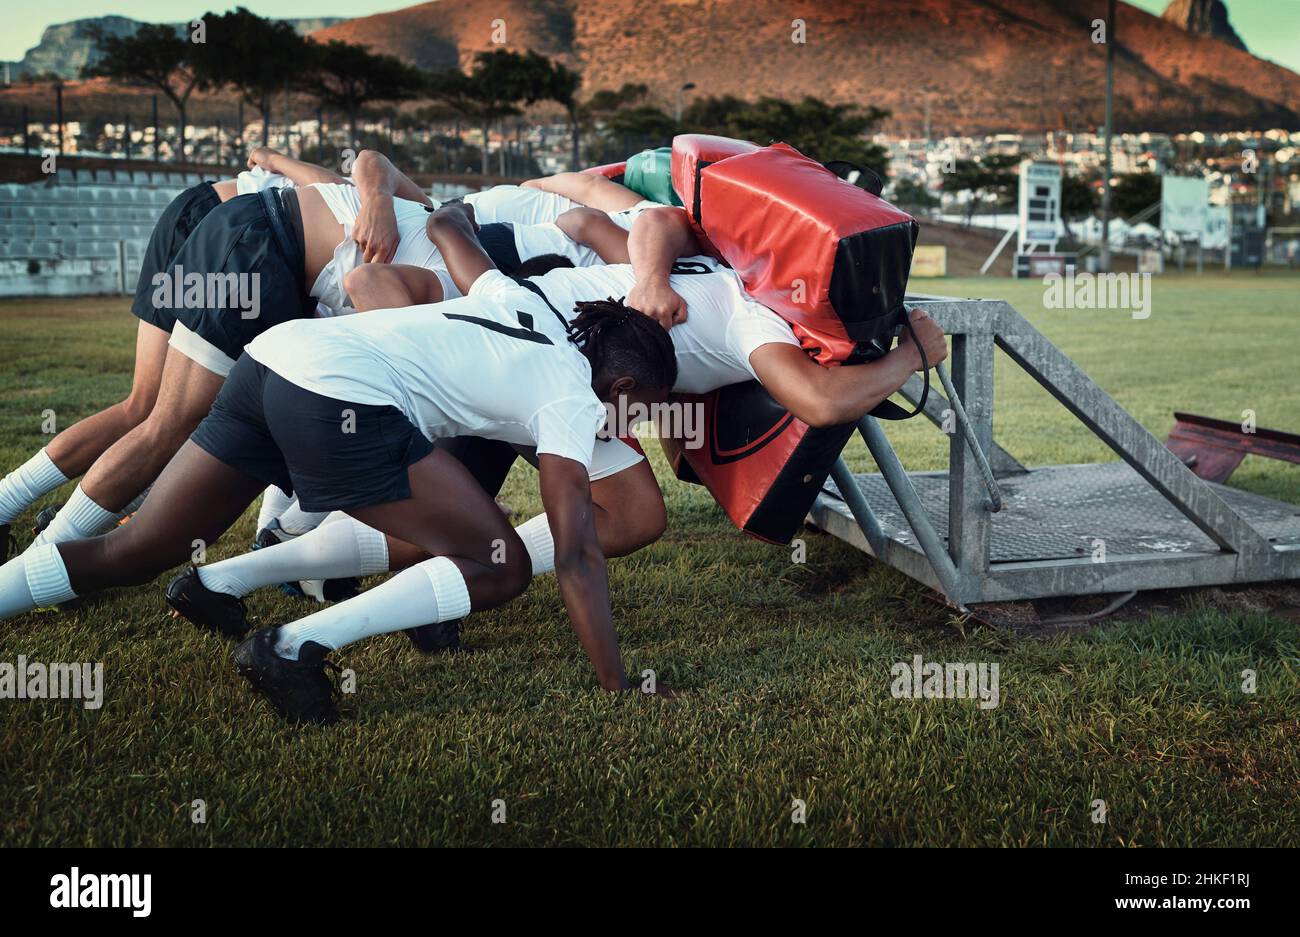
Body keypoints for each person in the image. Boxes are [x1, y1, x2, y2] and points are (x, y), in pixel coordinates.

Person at [0, 203, 679, 724]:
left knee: (137, 548)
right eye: (641, 410)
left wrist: (453, 214)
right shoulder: (569, 393)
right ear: (620, 386)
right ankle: (292, 646)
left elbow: (457, 238)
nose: (638, 425)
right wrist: (618, 685)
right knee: (501, 563)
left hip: (275, 360)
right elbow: (577, 553)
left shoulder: (524, 302)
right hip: (336, 398)